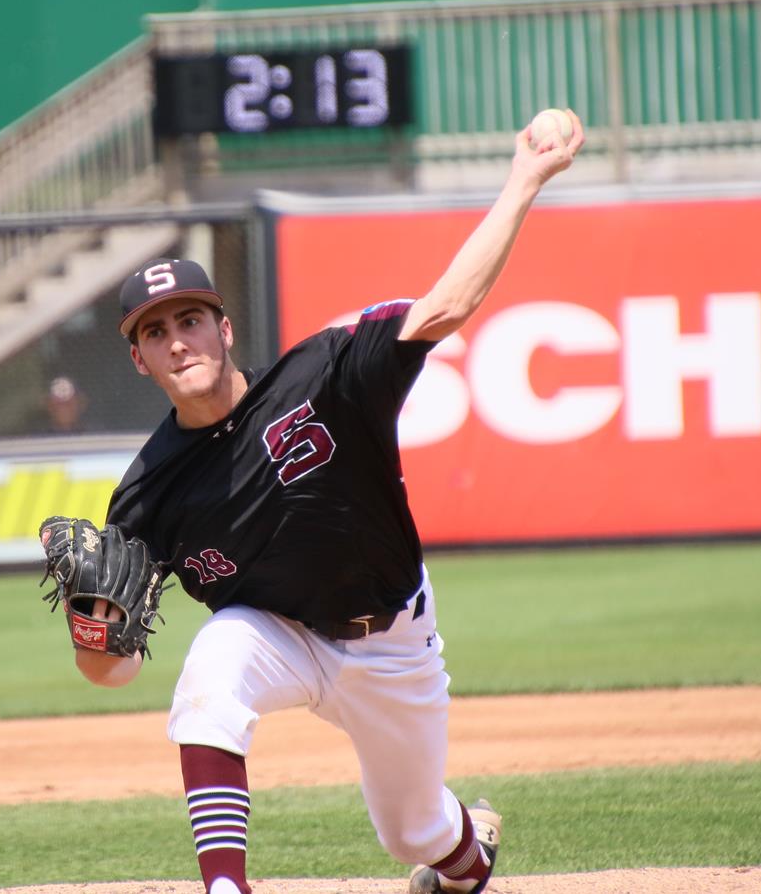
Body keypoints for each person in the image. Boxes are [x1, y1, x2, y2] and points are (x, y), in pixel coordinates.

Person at [48, 113, 584, 894]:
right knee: (210, 674)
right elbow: (115, 671)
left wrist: (523, 182)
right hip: (278, 636)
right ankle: (225, 888)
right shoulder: (146, 494)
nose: (178, 340)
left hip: (390, 639)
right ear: (138, 358)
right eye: (156, 332)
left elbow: (444, 308)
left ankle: (468, 855)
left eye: (190, 320)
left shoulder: (324, 375)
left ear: (224, 328)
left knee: (414, 831)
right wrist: (93, 638)